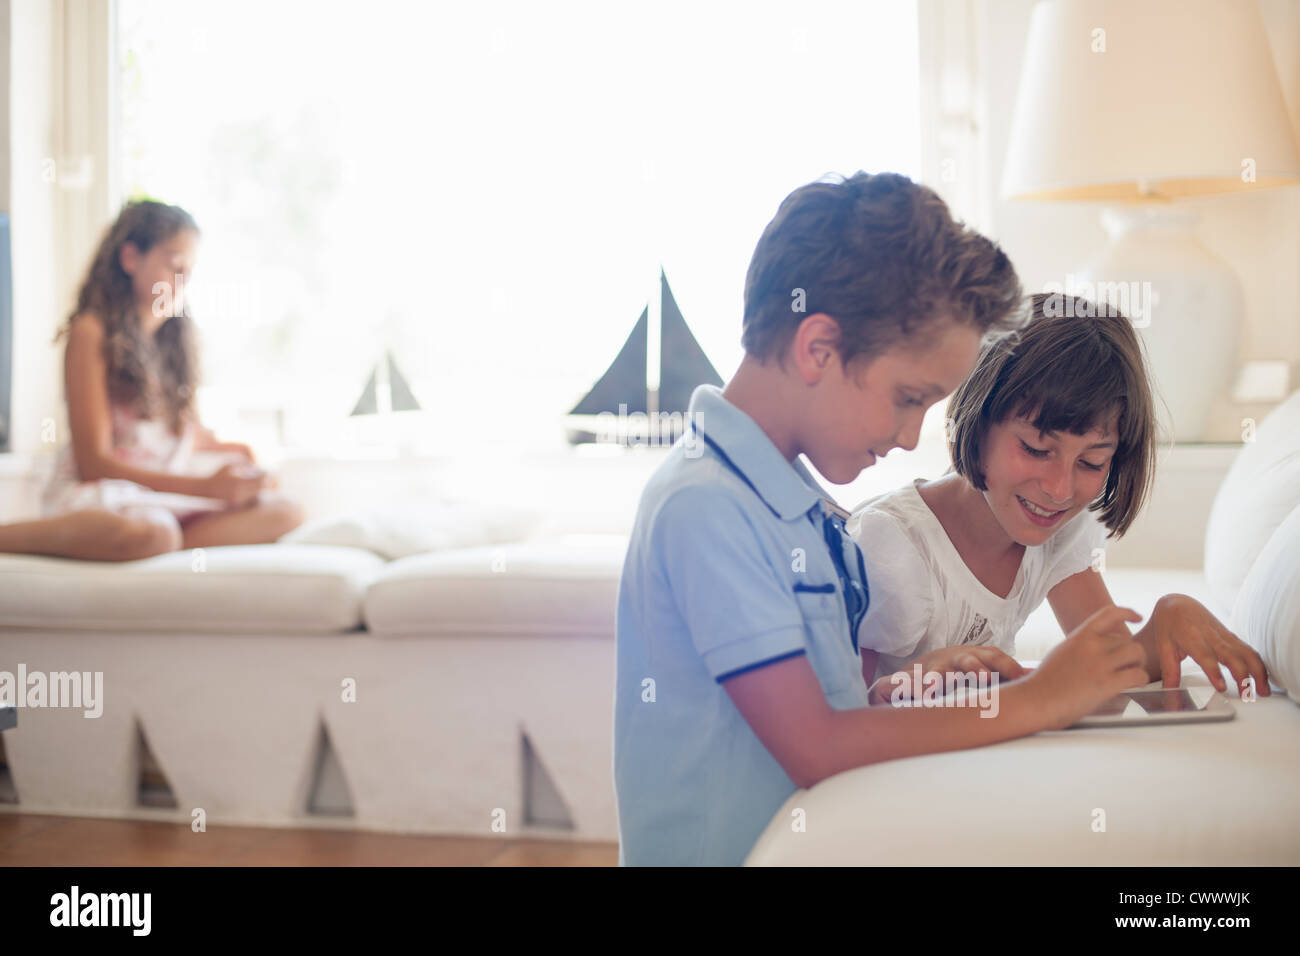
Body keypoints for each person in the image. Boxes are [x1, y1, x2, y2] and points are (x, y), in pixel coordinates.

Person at [613, 172, 1152, 866]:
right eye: (908, 398)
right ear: (818, 349)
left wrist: (901, 692)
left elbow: (824, 712)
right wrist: (1040, 699)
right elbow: (815, 746)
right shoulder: (707, 506)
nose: (908, 437)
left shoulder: (794, 508)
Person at [851, 291, 1269, 704]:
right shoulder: (891, 548)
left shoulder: (1058, 528)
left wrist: (1165, 625)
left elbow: (1111, 667)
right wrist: (908, 682)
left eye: (1090, 462)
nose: (1059, 490)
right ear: (976, 426)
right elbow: (840, 718)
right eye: (1035, 450)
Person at [0, 200, 303, 561]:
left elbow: (174, 437)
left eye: (189, 270)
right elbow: (92, 462)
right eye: (174, 265)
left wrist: (237, 457)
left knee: (286, 512)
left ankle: (155, 544)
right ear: (130, 258)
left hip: (158, 499)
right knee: (154, 531)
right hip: (104, 494)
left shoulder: (172, 347)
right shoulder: (91, 332)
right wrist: (207, 488)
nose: (183, 280)